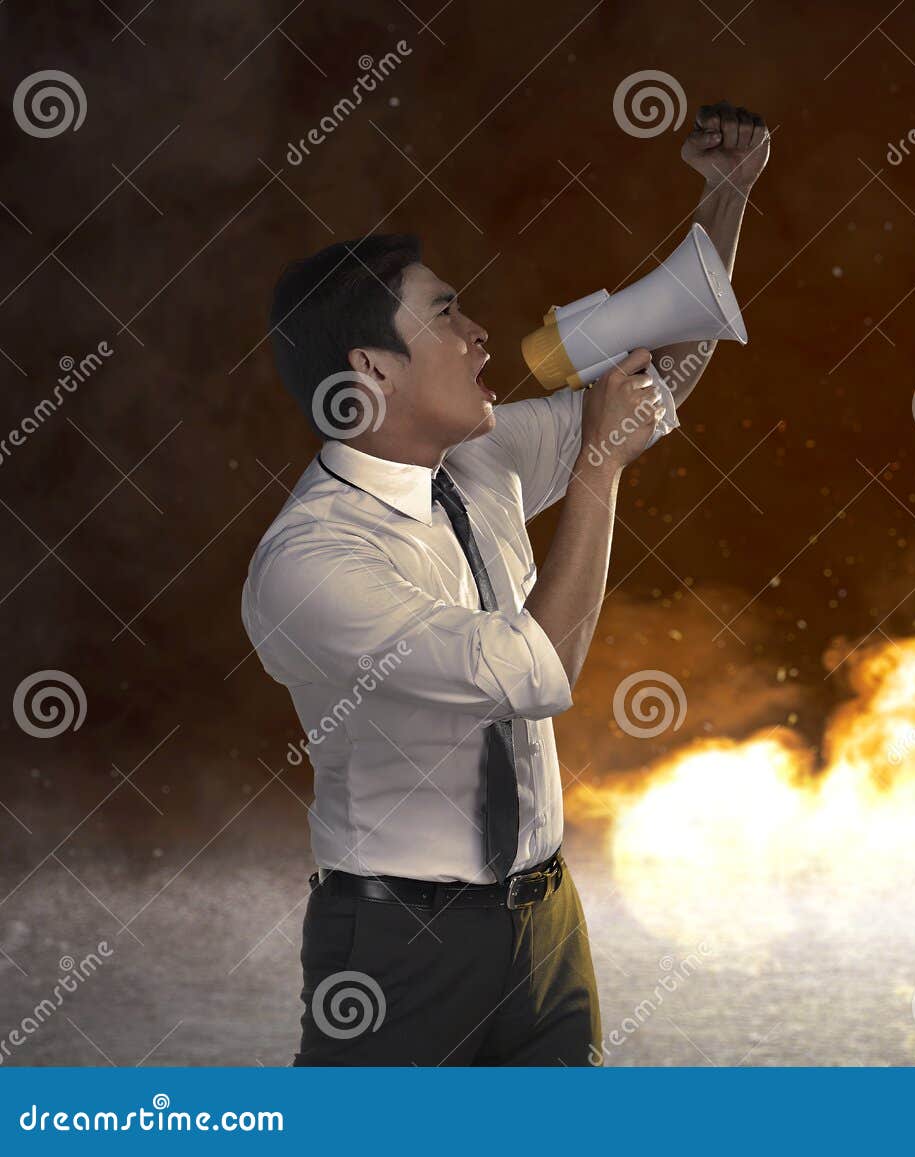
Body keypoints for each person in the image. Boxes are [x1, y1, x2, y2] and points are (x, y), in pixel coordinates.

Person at [240, 102, 768, 1065]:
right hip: (401, 945)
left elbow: (656, 394)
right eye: (446, 316)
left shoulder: (480, 464)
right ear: (370, 370)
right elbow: (537, 672)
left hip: (547, 918)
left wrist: (726, 197)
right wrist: (598, 474)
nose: (481, 333)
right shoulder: (313, 565)